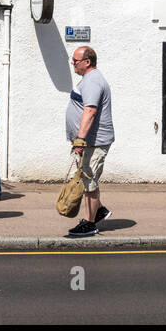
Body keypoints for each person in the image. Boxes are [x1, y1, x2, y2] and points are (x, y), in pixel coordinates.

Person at [65, 45, 113, 238]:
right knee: (88, 179)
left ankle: (89, 223)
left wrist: (80, 140)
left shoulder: (93, 81)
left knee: (88, 181)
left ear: (87, 62)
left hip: (93, 142)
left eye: (75, 61)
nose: (72, 63)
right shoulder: (89, 79)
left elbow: (90, 111)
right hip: (89, 141)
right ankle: (99, 210)